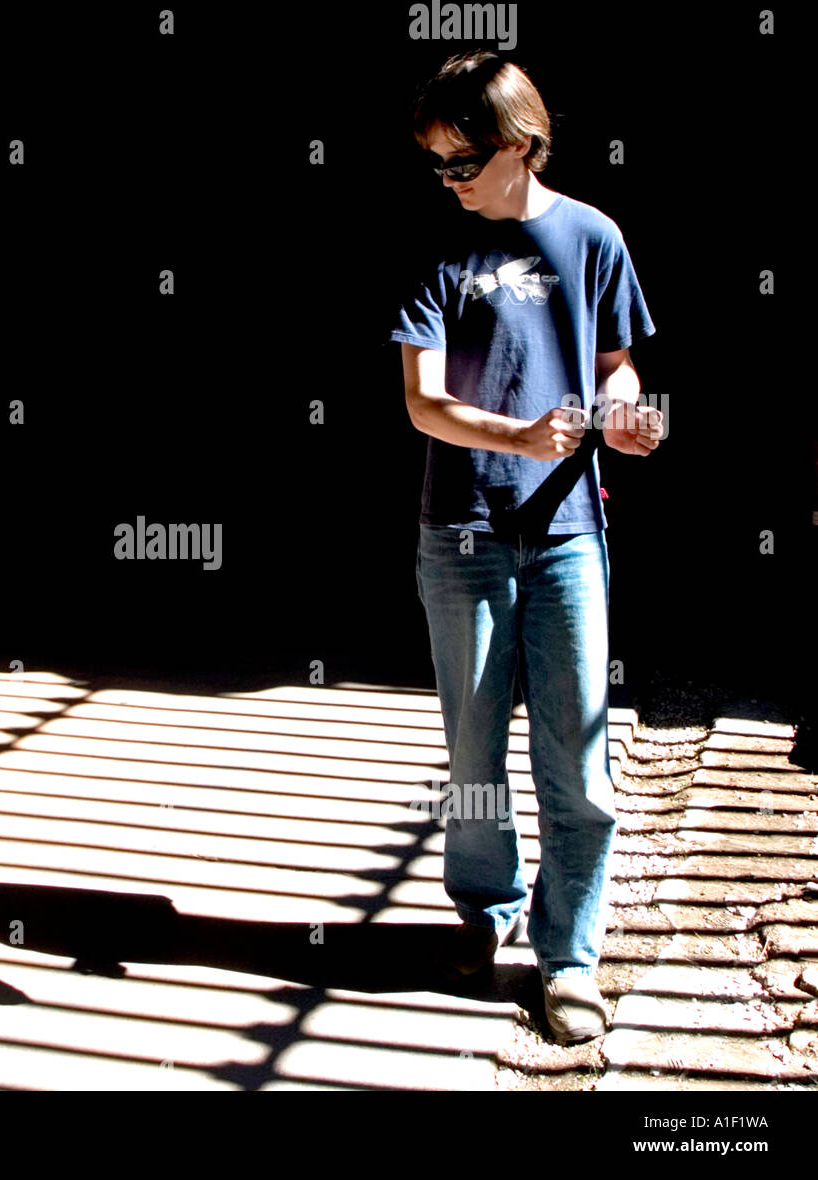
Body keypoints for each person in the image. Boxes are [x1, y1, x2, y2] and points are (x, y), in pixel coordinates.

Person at [389, 51, 663, 1042]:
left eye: (460, 162)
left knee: (579, 760)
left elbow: (615, 368)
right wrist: (513, 434)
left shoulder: (592, 236)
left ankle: (570, 954)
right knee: (472, 752)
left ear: (519, 145)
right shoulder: (435, 251)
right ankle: (484, 914)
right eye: (434, 166)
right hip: (459, 532)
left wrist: (628, 418)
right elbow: (422, 401)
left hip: (564, 534)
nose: (446, 182)